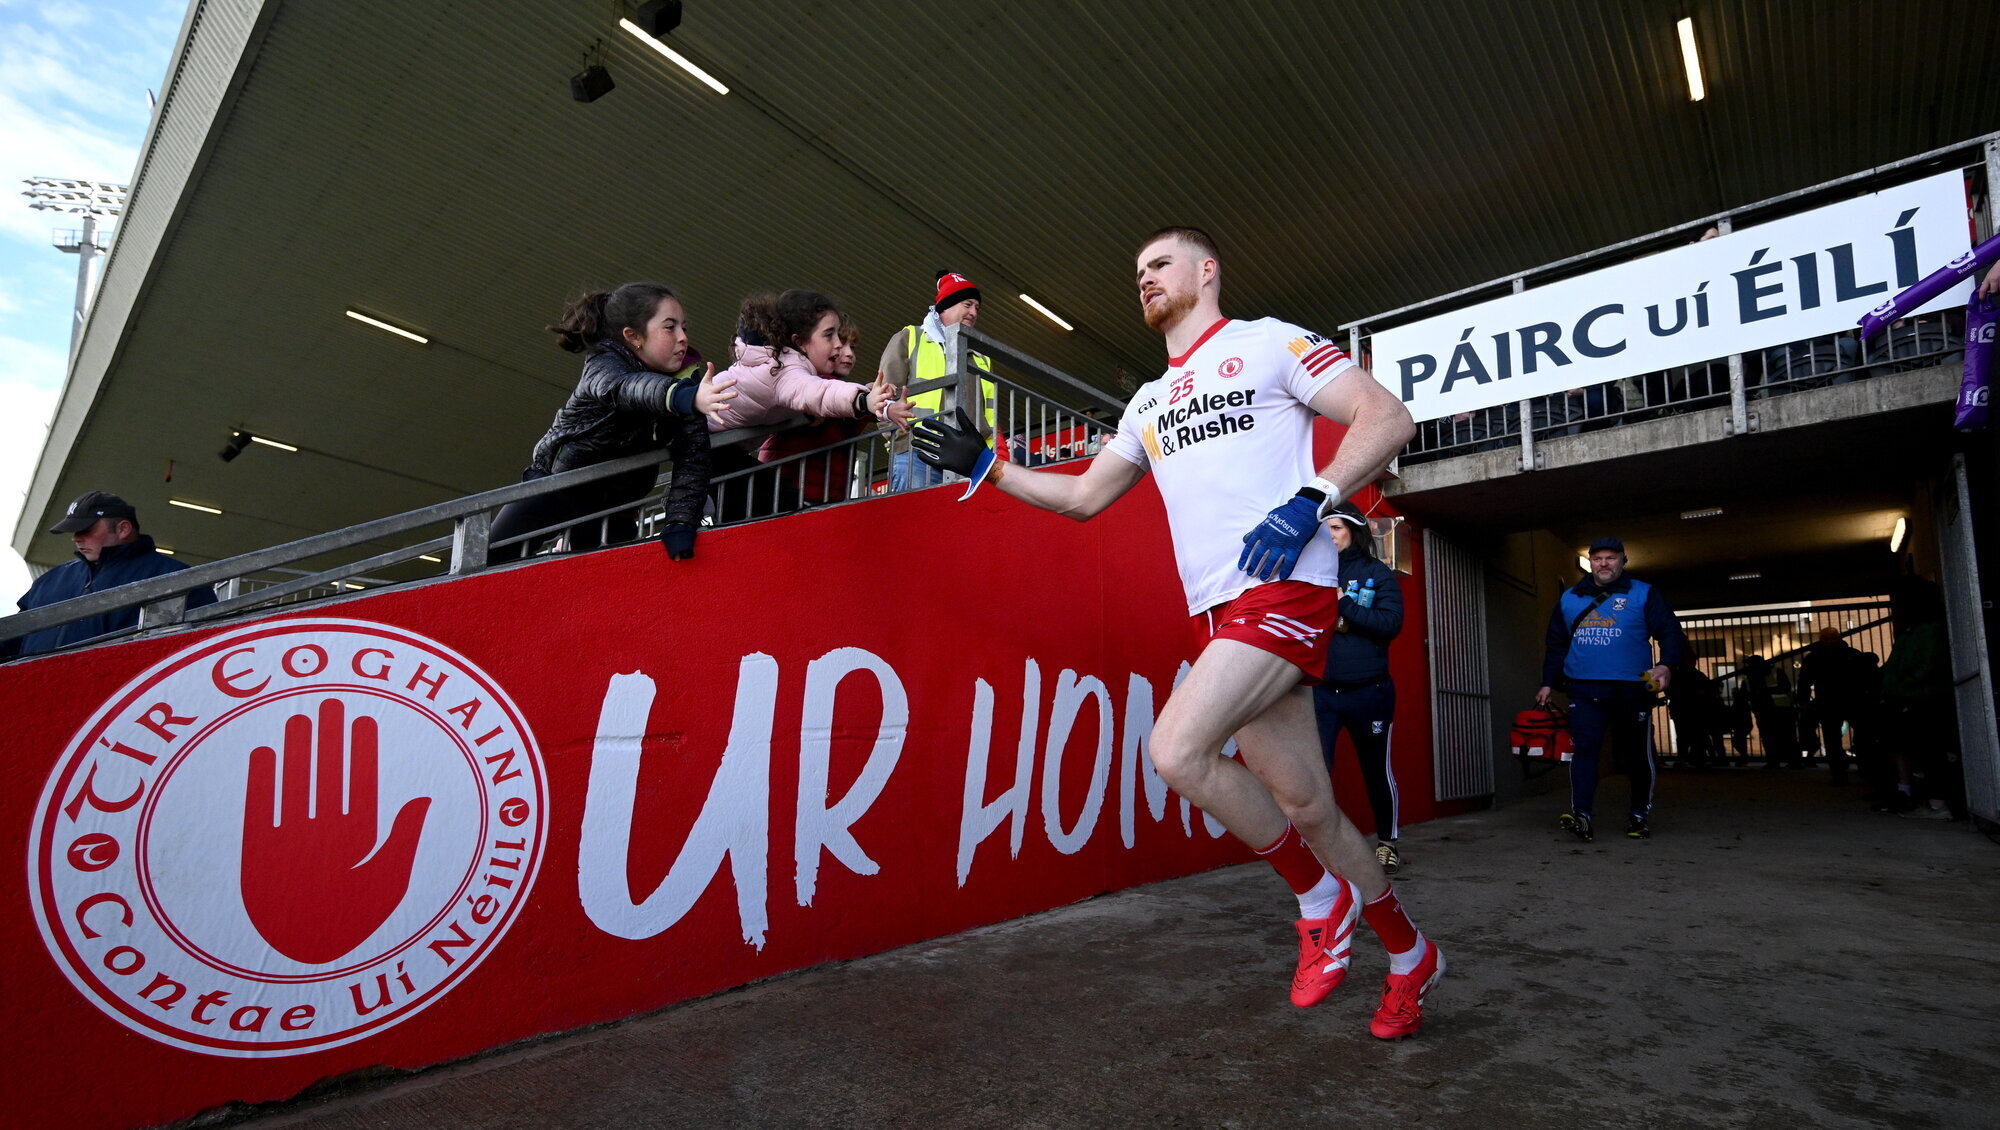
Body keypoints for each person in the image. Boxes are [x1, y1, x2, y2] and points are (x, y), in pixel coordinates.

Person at [911, 227, 1442, 1040]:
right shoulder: (1149, 401)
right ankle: (1410, 955)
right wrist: (989, 468)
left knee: (1176, 751)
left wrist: (1314, 498)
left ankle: (1316, 899)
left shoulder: (1270, 344)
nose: (1145, 281)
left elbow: (1387, 417)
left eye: (1159, 265)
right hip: (1217, 614)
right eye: (1137, 273)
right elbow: (1085, 497)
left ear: (1207, 269)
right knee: (1310, 807)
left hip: (1285, 590)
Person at [491, 283, 734, 562]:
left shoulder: (688, 384)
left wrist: (680, 524)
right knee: (485, 562)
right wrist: (684, 397)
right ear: (633, 337)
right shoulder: (605, 364)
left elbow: (693, 458)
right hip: (557, 487)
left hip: (616, 507)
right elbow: (627, 387)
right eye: (670, 327)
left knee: (610, 585)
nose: (682, 338)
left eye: (684, 327)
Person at [707, 291, 906, 521]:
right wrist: (865, 400)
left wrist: (881, 405)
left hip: (721, 448)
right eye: (829, 336)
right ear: (799, 341)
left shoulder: (780, 363)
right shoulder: (786, 371)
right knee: (774, 502)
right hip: (707, 444)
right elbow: (822, 393)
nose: (839, 346)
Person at [1537, 537, 1686, 842]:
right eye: (1597, 558)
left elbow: (1670, 632)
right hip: (1585, 689)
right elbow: (1556, 644)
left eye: (1611, 558)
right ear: (1590, 562)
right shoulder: (1569, 598)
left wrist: (1667, 664)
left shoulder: (1643, 593)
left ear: (1623, 561)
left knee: (1635, 756)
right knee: (1586, 752)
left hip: (1632, 690)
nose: (1603, 564)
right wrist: (1548, 682)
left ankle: (1638, 815)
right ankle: (1582, 816)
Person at [2, 491, 217, 659]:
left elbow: (196, 652)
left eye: (85, 529)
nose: (76, 538)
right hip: (35, 702)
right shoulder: (49, 581)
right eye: (73, 531)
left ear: (123, 529)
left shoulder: (174, 576)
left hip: (122, 706)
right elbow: (10, 639)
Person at [1311, 502, 1407, 874]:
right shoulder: (1313, 574)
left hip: (1371, 692)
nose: (1329, 536)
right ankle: (1321, 849)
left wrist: (1343, 604)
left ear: (1354, 531)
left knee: (1375, 769)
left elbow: (1389, 625)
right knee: (1317, 773)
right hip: (1322, 692)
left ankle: (1387, 843)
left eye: (1335, 528)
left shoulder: (1376, 574)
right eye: (1325, 530)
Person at [878, 271, 996, 492]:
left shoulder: (982, 357)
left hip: (967, 461)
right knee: (913, 523)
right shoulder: (910, 337)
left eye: (977, 308)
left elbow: (989, 414)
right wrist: (901, 444)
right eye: (967, 304)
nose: (973, 312)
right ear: (946, 306)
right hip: (917, 454)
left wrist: (987, 455)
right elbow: (882, 393)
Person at [1797, 626, 1862, 785]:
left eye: (1832, 638)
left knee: (1834, 739)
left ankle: (1839, 772)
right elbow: (1804, 680)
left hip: (1831, 701)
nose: (1830, 641)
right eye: (1827, 638)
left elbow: (1804, 680)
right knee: (1846, 737)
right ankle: (1846, 770)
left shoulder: (1814, 657)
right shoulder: (1851, 654)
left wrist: (1804, 700)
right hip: (1845, 700)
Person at [1741, 654, 1800, 769]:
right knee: (1783, 736)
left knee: (1775, 737)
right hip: (1776, 709)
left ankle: (1778, 762)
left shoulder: (1753, 677)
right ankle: (1790, 761)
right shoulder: (1770, 673)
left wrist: (1761, 692)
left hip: (1775, 710)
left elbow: (1785, 687)